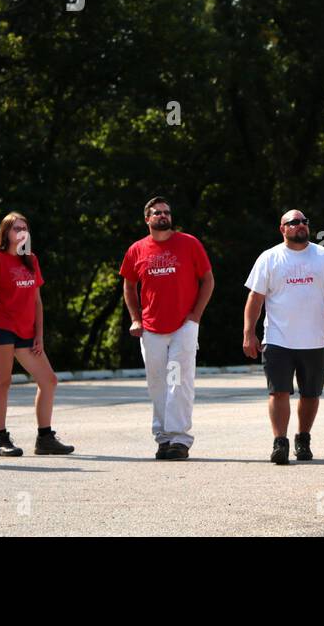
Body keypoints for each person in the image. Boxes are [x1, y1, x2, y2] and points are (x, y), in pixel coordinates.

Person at [242, 210, 324, 465]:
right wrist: (249, 333)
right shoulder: (269, 258)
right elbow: (255, 298)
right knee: (278, 391)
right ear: (282, 229)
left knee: (311, 394)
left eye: (304, 222)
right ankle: (280, 442)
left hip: (315, 339)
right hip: (278, 339)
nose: (300, 226)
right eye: (294, 222)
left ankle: (303, 438)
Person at [120, 197, 214, 460]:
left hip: (183, 325)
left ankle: (179, 440)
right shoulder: (137, 249)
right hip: (150, 327)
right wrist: (136, 318)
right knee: (157, 383)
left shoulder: (189, 243)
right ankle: (163, 438)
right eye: (157, 213)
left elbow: (207, 279)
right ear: (147, 219)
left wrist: (195, 316)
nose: (163, 216)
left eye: (167, 212)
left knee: (179, 381)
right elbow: (129, 284)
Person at [0, 212, 75, 457]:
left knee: (49, 380)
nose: (21, 232)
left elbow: (37, 301)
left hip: (27, 331)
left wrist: (39, 334)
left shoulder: (30, 259)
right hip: (0, 328)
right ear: (6, 232)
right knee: (2, 382)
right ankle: (0, 439)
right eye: (16, 228)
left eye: (25, 228)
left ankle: (45, 438)